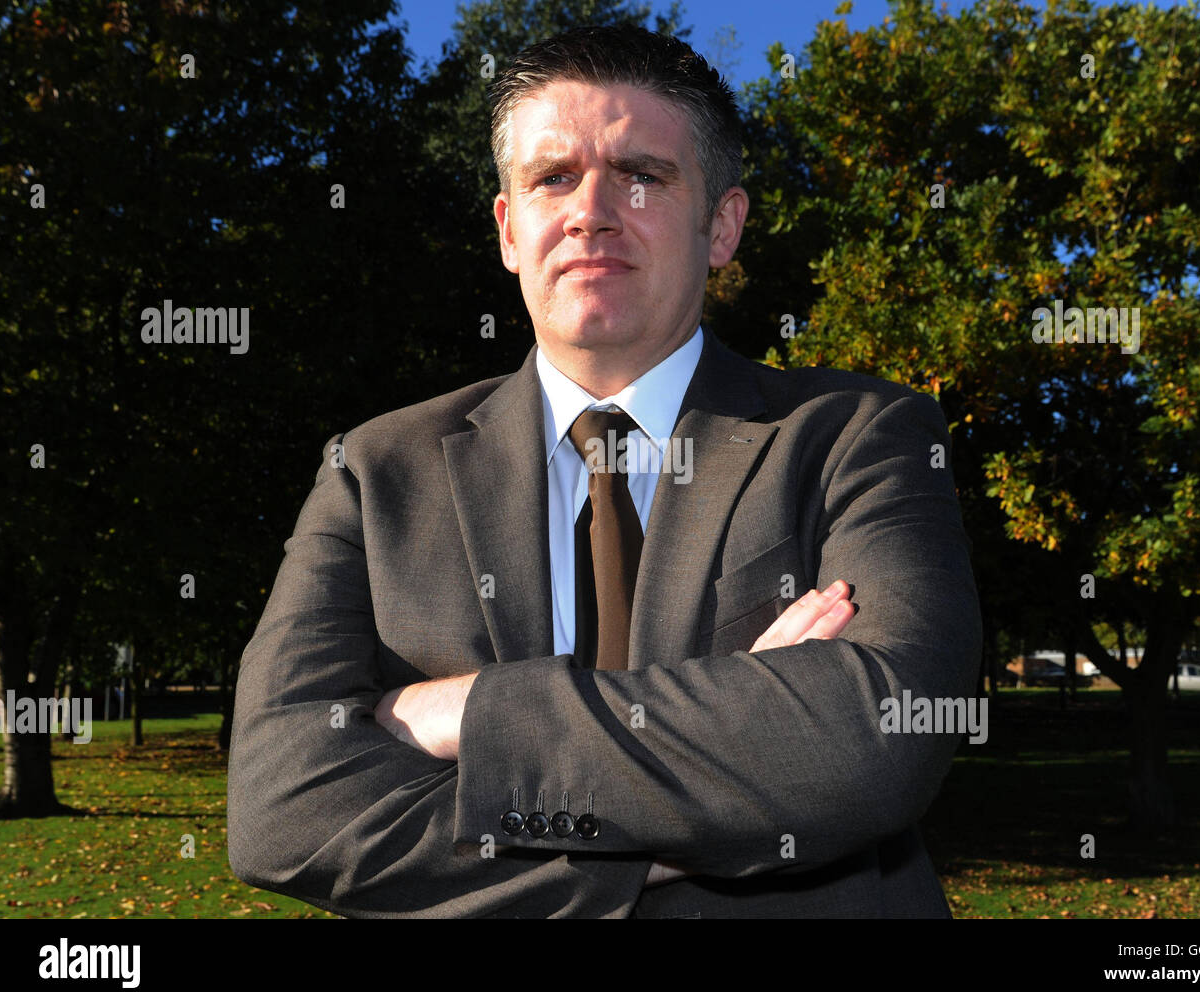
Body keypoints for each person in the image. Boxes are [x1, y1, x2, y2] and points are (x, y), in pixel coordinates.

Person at [227, 24, 981, 918]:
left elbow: (878, 736)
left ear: (723, 226)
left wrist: (462, 715)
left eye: (642, 176)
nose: (591, 209)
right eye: (552, 178)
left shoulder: (855, 434)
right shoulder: (374, 470)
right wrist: (711, 790)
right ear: (509, 230)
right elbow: (281, 808)